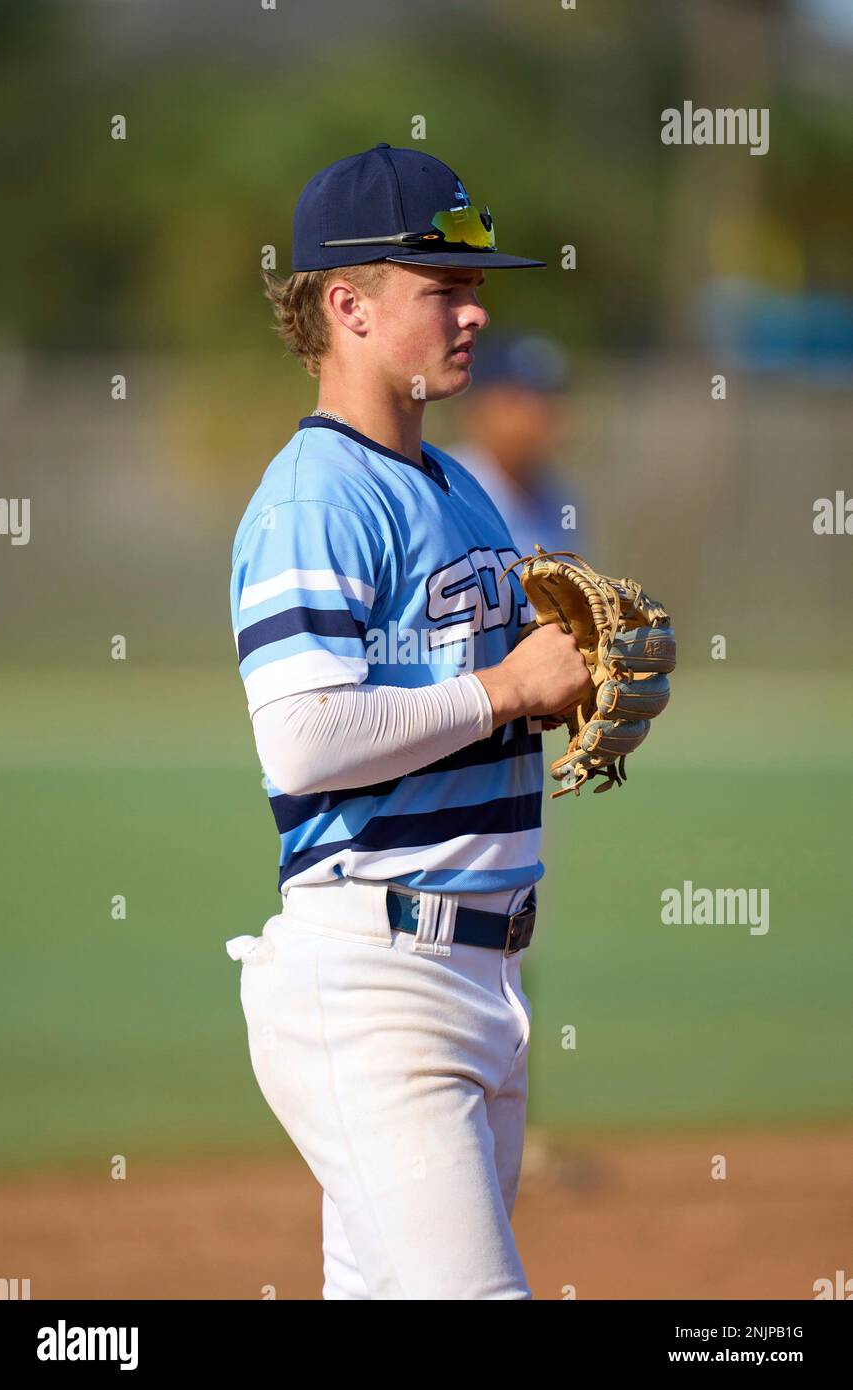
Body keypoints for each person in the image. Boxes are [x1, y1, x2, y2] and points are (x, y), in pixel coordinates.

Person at [224, 142, 591, 1301]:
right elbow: (302, 740)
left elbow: (494, 694)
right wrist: (506, 690)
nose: (474, 312)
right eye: (443, 287)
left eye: (476, 286)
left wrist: (586, 686)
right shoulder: (312, 498)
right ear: (348, 304)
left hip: (484, 977)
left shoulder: (454, 486)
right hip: (376, 983)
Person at [444, 330, 588, 559]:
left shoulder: (559, 498)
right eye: (519, 400)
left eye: (548, 399)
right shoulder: (447, 490)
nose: (538, 415)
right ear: (479, 406)